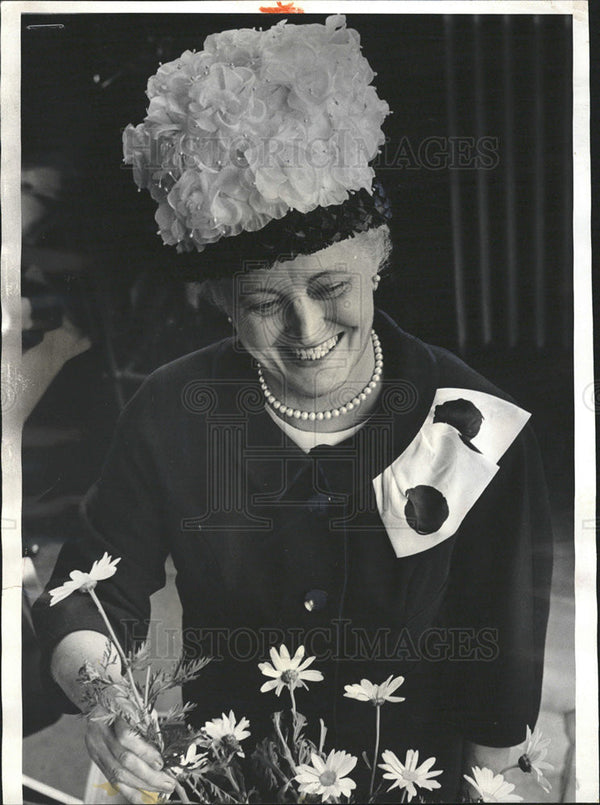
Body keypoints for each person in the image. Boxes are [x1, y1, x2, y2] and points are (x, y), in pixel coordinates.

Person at [33, 15, 553, 804]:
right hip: (226, 781)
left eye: (330, 289)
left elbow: (501, 684)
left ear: (377, 254)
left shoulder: (478, 425)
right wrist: (108, 702)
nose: (307, 332)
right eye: (265, 304)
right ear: (217, 300)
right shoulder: (172, 411)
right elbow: (87, 587)